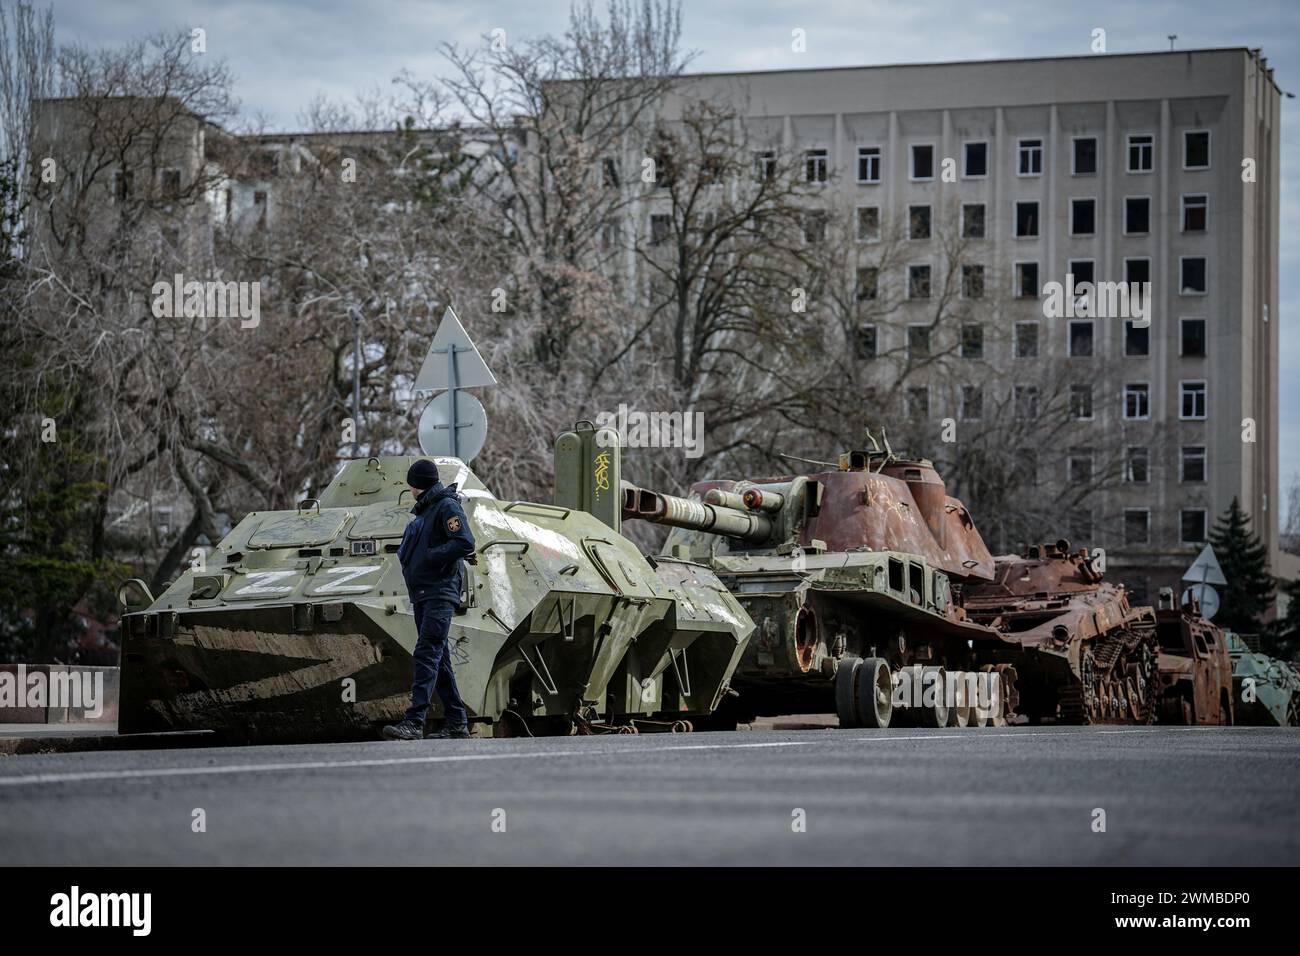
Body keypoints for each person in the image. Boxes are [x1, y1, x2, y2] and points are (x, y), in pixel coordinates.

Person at [382, 459, 476, 741]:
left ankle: (414, 722)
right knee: (439, 658)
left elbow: (464, 542)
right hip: (424, 594)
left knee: (426, 653)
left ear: (415, 485)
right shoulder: (426, 511)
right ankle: (457, 722)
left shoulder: (446, 506)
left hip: (439, 592)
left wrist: (432, 557)